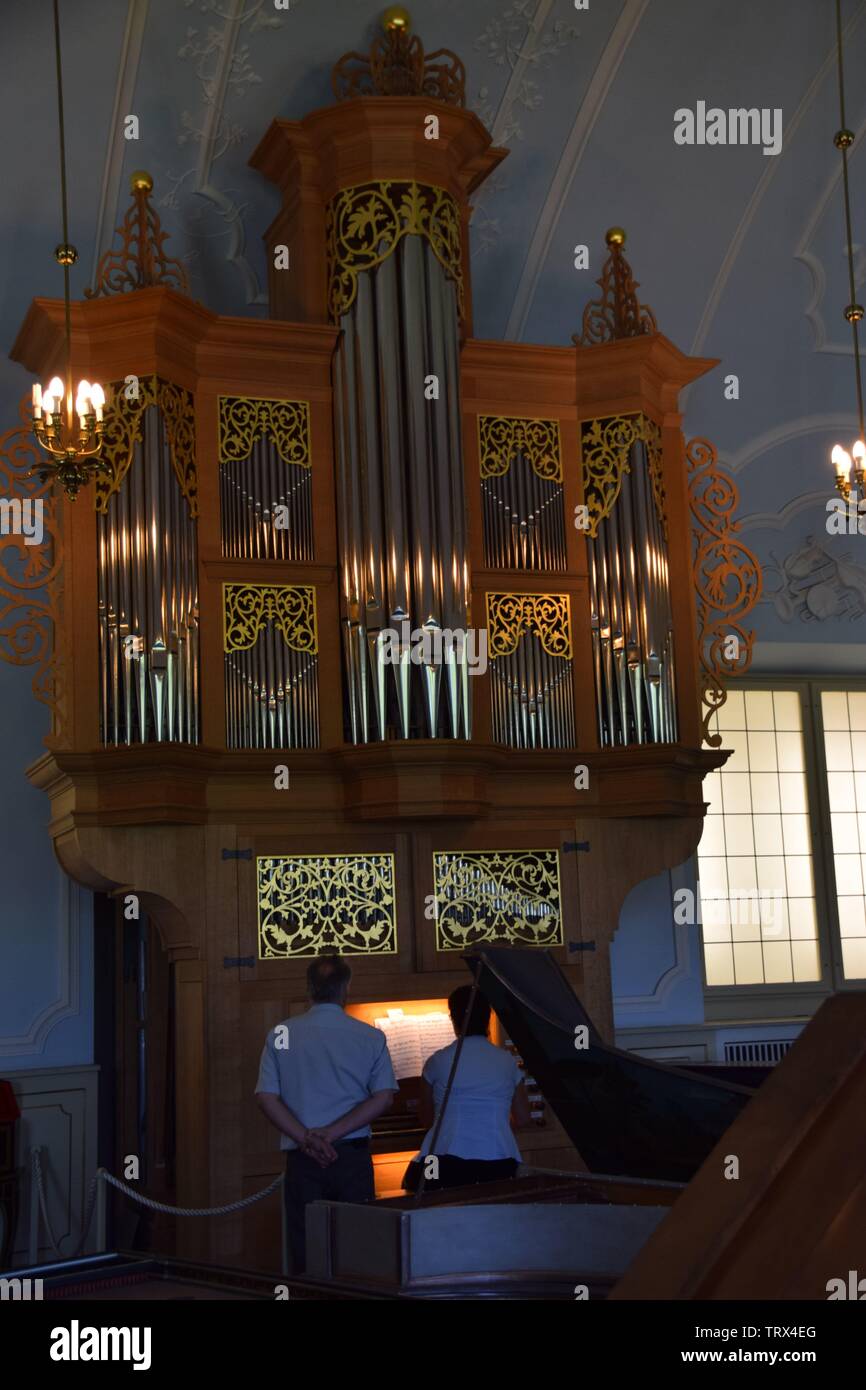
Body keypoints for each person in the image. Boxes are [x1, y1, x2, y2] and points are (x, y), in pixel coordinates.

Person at [255, 953, 398, 1272]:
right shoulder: (371, 1036)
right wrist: (331, 1135)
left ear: (309, 989)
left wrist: (308, 1139)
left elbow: (266, 1097)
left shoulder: (282, 1033)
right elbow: (384, 1098)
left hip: (303, 1159)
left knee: (306, 1250)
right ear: (346, 987)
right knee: (356, 1246)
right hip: (351, 1158)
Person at [403, 983, 532, 1193]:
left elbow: (426, 1120)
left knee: (420, 1188)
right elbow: (524, 1118)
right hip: (499, 1161)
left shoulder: (437, 1061)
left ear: (453, 1019)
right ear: (488, 1018)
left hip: (443, 1164)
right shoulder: (508, 1062)